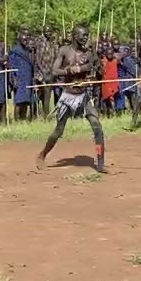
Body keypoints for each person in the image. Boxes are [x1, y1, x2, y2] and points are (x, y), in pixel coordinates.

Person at [36, 26, 105, 173]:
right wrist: (68, 70)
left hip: (83, 95)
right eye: (82, 35)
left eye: (87, 35)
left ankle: (100, 163)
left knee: (97, 125)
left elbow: (95, 70)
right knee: (59, 131)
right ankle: (42, 155)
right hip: (68, 96)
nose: (85, 38)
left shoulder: (89, 53)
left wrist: (88, 74)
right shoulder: (64, 50)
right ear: (74, 35)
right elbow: (54, 71)